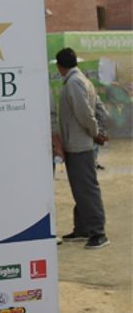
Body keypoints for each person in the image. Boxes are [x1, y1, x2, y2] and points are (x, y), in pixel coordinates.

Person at [52, 48, 108, 249]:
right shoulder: (81, 80)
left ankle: (98, 232)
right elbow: (98, 108)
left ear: (59, 66)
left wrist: (94, 132)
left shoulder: (74, 83)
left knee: (86, 189)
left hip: (79, 144)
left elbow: (84, 114)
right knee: (80, 188)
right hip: (78, 142)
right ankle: (83, 228)